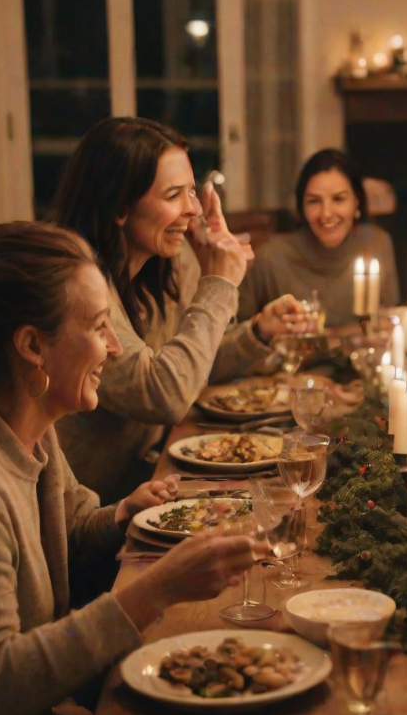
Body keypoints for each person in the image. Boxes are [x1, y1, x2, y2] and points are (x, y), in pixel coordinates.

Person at [0, 222, 259, 715]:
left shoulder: (29, 426)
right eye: (99, 327)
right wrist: (153, 591)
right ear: (32, 345)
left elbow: (65, 528)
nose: (116, 348)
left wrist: (122, 513)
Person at [51, 117, 304, 501]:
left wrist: (257, 331)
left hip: (148, 477)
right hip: (91, 514)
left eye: (192, 192)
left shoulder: (162, 263)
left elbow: (189, 366)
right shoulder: (80, 288)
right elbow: (166, 394)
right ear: (120, 208)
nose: (193, 210)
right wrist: (218, 285)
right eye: (173, 196)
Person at [238, 148, 400, 327]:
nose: (326, 214)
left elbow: (388, 321)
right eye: (314, 201)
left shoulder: (377, 243)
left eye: (338, 199)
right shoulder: (270, 258)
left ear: (357, 202)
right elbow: (237, 334)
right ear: (302, 207)